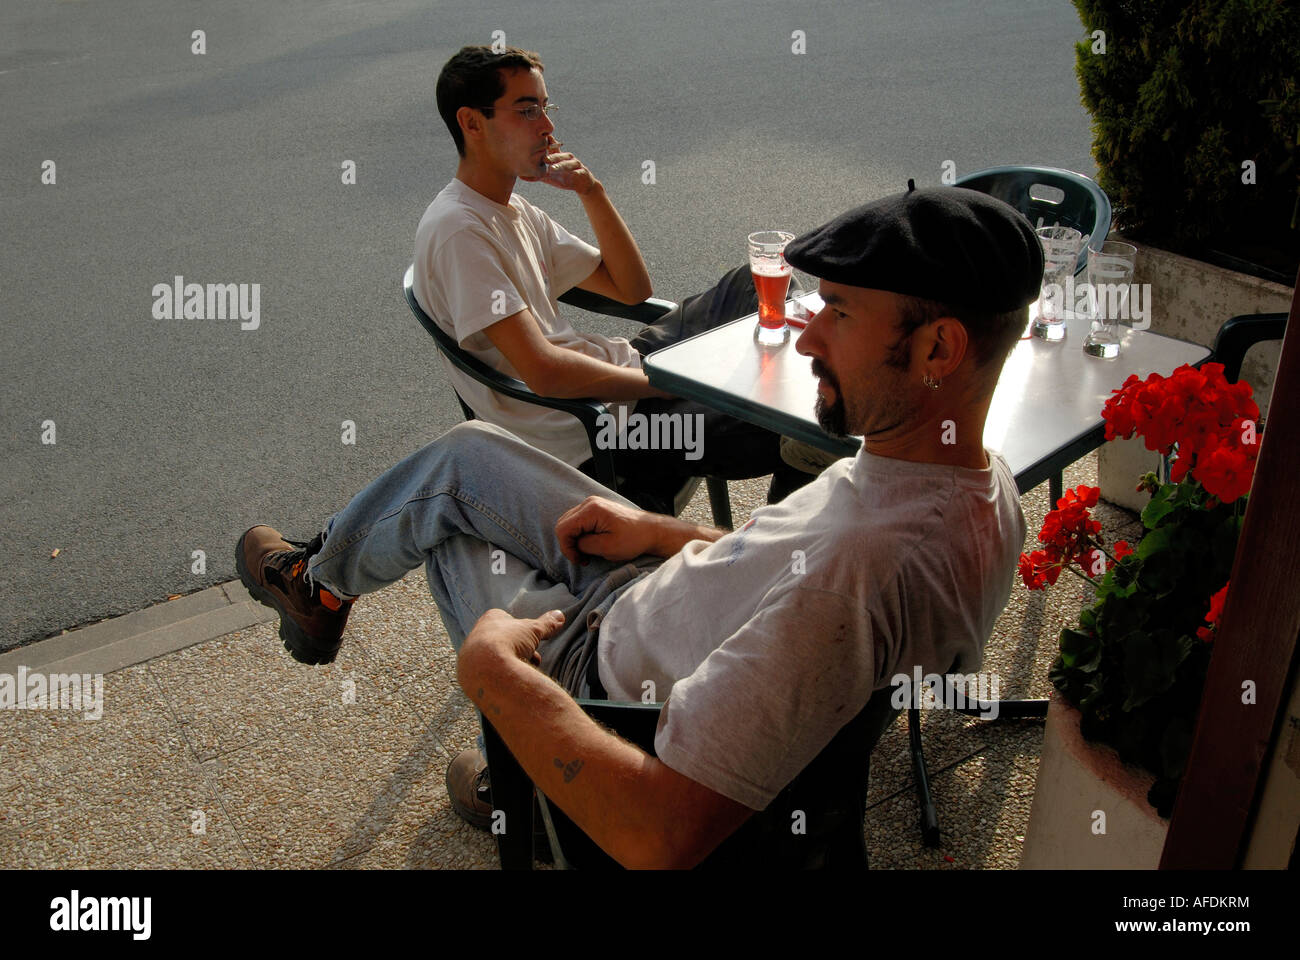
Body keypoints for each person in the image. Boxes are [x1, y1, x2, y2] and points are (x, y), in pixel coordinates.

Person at [236, 185, 1040, 868]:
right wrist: (660, 532)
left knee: (448, 527)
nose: (807, 333)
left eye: (839, 312)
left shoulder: (859, 570)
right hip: (660, 595)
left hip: (602, 675)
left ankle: (525, 789)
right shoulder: (978, 480)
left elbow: (660, 835)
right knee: (469, 455)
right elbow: (785, 572)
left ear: (939, 346)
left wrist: (496, 677)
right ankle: (318, 583)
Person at [418, 44, 811, 515]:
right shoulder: (460, 230)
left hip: (620, 378)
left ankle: (779, 428)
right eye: (526, 111)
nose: (547, 127)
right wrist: (657, 382)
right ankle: (791, 524)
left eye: (545, 108)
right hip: (599, 432)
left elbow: (631, 289)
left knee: (756, 284)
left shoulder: (513, 208)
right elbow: (543, 372)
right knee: (804, 413)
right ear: (471, 123)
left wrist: (591, 192)